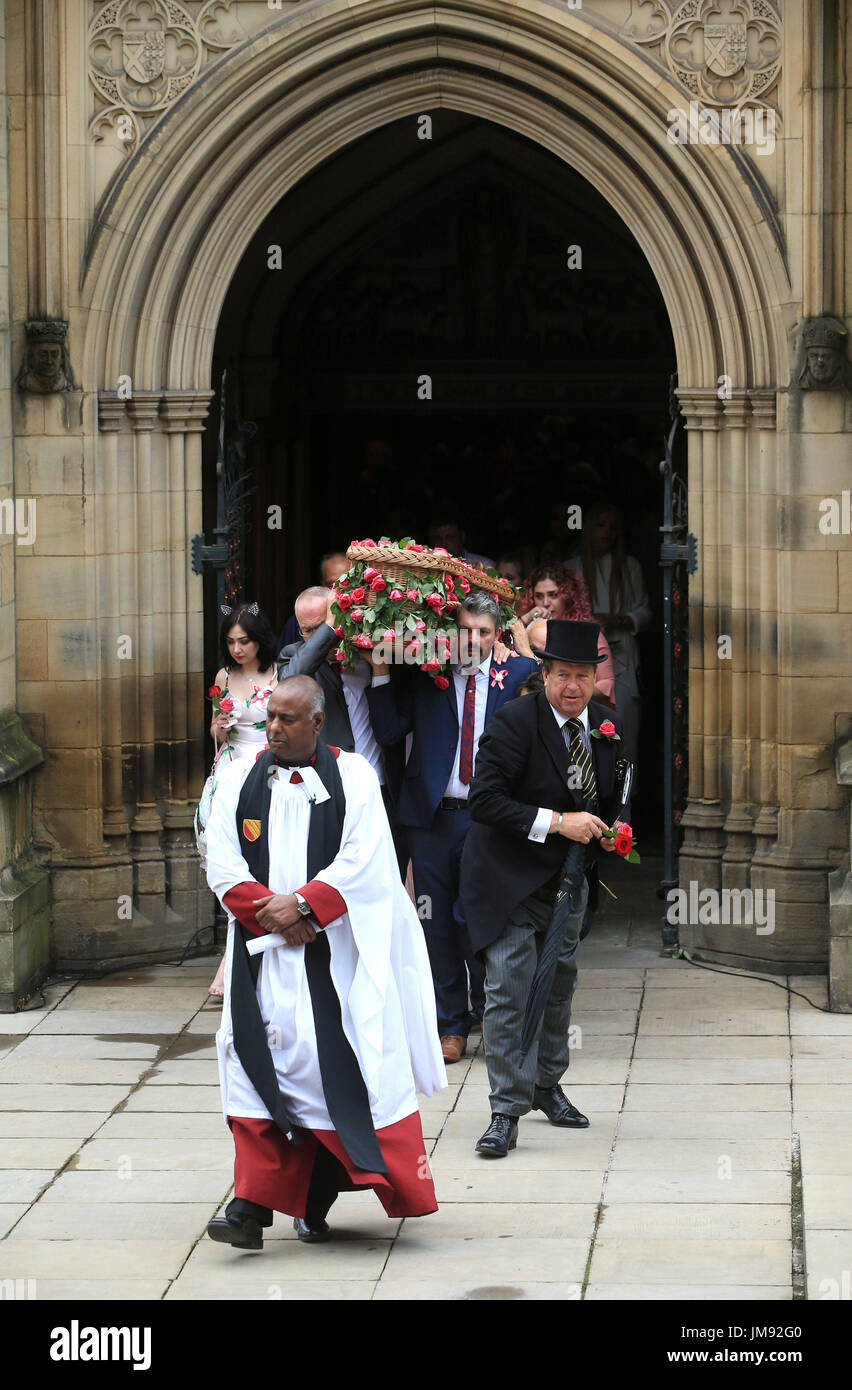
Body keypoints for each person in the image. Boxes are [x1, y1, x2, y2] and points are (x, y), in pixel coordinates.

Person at [203, 675, 446, 1250]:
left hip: (332, 955)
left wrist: (306, 905)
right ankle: (248, 1208)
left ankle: (314, 1198)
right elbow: (221, 859)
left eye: (288, 720)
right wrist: (271, 914)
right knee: (248, 1066)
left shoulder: (354, 777)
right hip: (261, 957)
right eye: (270, 719)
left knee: (324, 1072)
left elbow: (366, 859)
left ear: (318, 722)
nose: (275, 729)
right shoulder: (238, 776)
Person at [459, 620, 631, 1158]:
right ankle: (504, 1111)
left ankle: (547, 1086)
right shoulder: (513, 724)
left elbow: (617, 795)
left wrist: (613, 831)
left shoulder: (607, 726)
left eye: (583, 676)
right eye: (563, 675)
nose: (573, 687)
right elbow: (484, 802)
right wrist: (559, 821)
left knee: (558, 987)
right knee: (509, 989)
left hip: (568, 880)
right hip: (507, 876)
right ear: (546, 673)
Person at [365, 592, 538, 1065]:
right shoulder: (427, 674)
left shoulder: (518, 675)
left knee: (479, 919)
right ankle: (450, 1024)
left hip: (490, 820)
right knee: (435, 922)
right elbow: (389, 732)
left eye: (484, 631)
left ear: (496, 633)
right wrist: (380, 670)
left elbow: (548, 717)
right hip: (432, 816)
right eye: (466, 630)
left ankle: (491, 1012)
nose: (474, 641)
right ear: (450, 631)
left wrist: (520, 647)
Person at [277, 585, 405, 866]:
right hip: (327, 787)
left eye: (320, 626)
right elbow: (289, 683)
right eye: (306, 630)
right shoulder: (294, 657)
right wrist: (330, 629)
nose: (314, 637)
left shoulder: (373, 653)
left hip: (380, 786)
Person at [196, 603, 279, 997]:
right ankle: (237, 947)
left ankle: (239, 956)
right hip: (231, 768)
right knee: (225, 854)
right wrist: (217, 725)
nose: (237, 649)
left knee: (263, 855)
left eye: (244, 640)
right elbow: (215, 728)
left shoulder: (280, 673)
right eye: (230, 642)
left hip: (268, 768)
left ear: (259, 638)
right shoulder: (223, 676)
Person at [566, 504, 651, 767]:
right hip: (582, 658)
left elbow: (645, 612)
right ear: (588, 528)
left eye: (613, 527)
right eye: (601, 525)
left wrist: (618, 620)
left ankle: (624, 798)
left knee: (622, 734)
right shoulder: (572, 568)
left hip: (622, 656)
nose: (608, 532)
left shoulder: (630, 567)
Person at [514, 565, 617, 709]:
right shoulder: (530, 630)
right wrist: (526, 619)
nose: (545, 603)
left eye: (553, 595)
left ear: (569, 597)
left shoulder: (589, 635)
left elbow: (607, 684)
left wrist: (569, 689)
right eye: (539, 596)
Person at [276, 553, 350, 651]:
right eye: (332, 584)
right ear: (323, 584)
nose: (338, 591)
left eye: (345, 583)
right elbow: (288, 664)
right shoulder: (301, 623)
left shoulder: (367, 619)